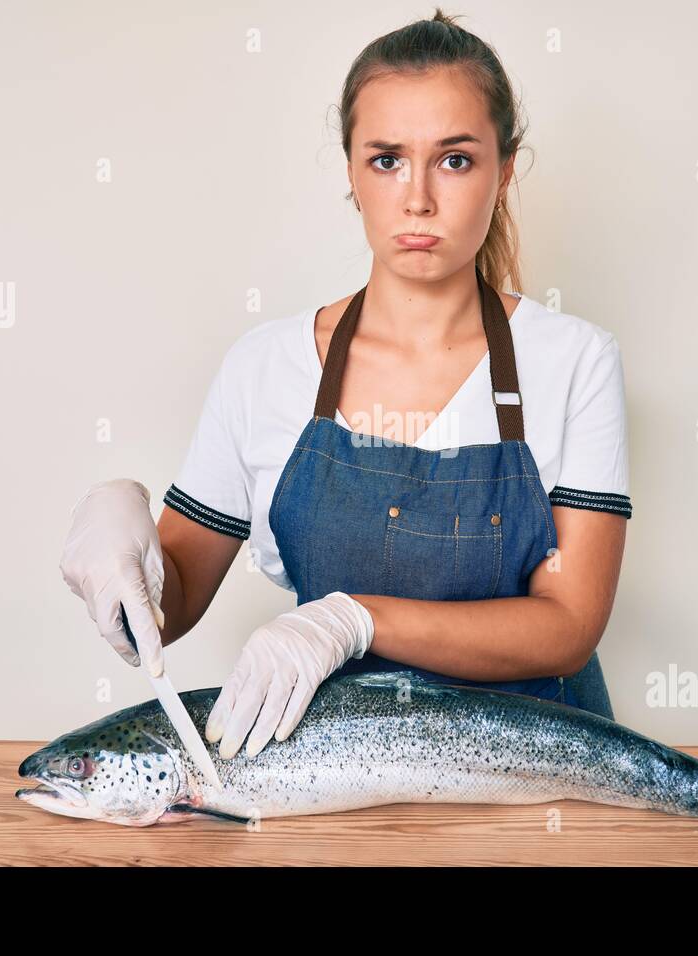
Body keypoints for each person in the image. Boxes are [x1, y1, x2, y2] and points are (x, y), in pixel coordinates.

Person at [60, 9, 631, 763]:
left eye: (455, 160)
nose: (418, 198)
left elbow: (568, 624)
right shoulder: (266, 368)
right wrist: (117, 527)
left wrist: (355, 619)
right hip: (333, 779)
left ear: (505, 170)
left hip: (549, 776)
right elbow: (166, 616)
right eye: (387, 159)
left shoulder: (574, 360)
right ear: (352, 172)